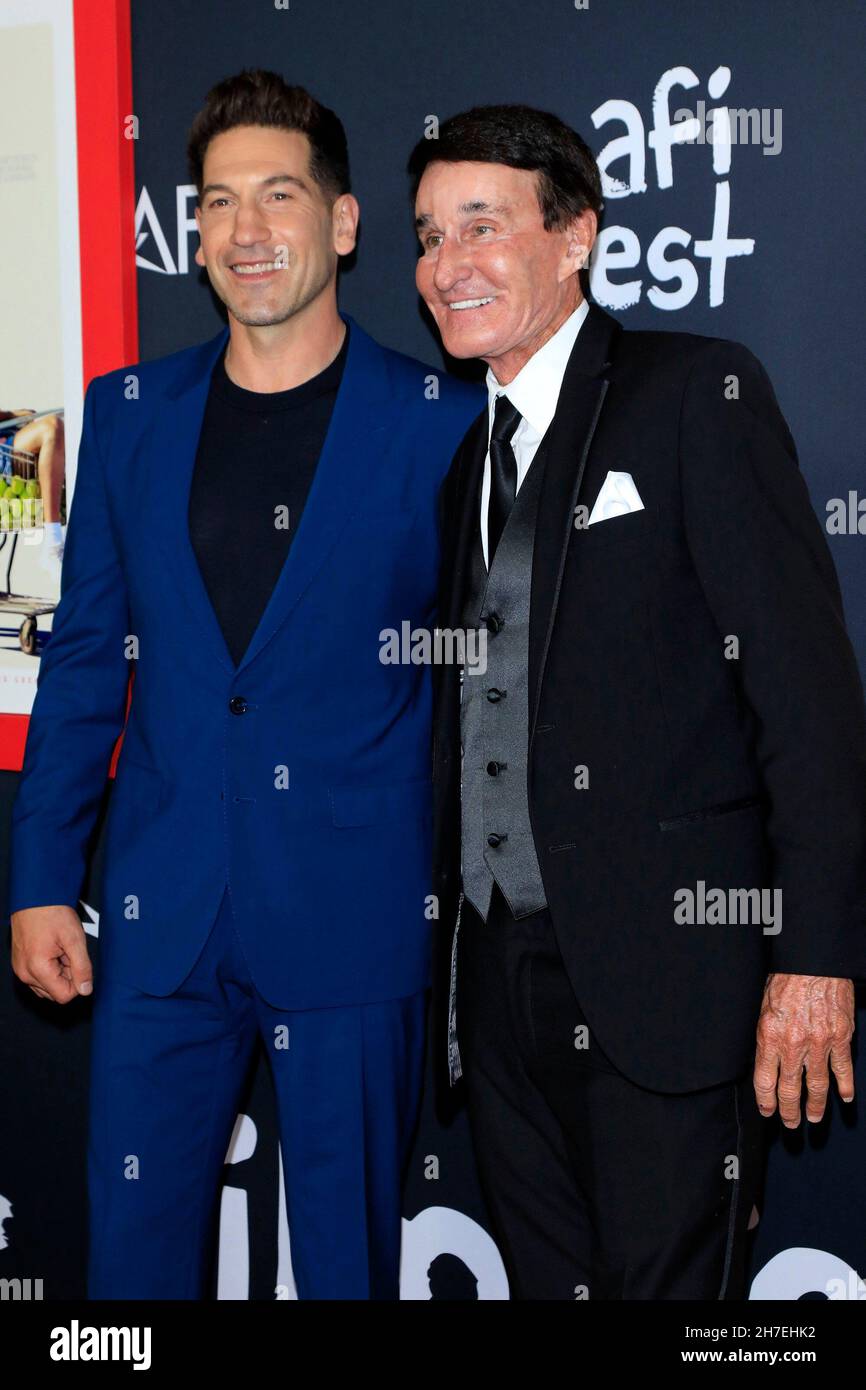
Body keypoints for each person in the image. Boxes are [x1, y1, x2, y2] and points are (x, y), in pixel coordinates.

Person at [9, 69, 482, 1300]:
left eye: (279, 196)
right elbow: (82, 660)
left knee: (343, 1272)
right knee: (133, 1274)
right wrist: (42, 878)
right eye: (218, 203)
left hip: (352, 916)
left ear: (342, 223)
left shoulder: (440, 422)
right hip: (161, 913)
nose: (245, 232)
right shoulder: (128, 415)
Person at [409, 103, 866, 1300]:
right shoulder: (469, 458)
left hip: (667, 982)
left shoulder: (694, 395)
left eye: (480, 226)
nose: (445, 265)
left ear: (575, 238)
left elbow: (807, 698)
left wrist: (813, 955)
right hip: (496, 987)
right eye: (426, 236)